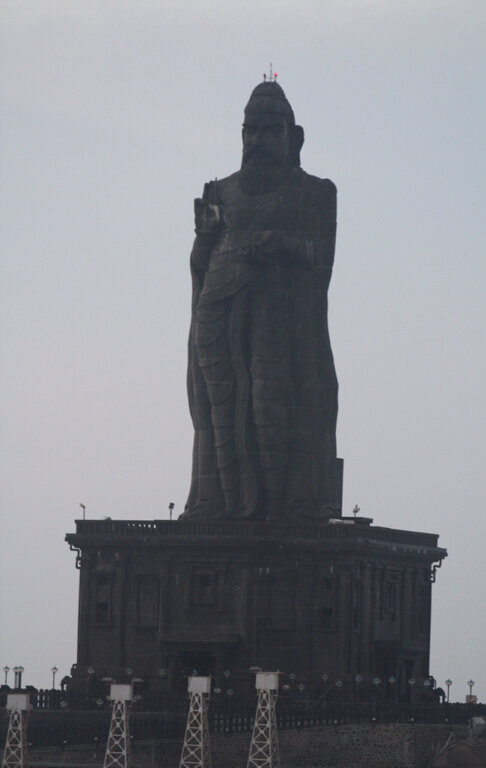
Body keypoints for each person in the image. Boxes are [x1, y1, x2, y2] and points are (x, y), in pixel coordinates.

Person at [183, 80, 340, 522]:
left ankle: (295, 504)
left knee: (279, 414)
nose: (258, 142)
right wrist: (204, 239)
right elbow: (200, 266)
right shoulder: (220, 192)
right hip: (220, 322)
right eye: (250, 132)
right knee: (219, 417)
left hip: (286, 335)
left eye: (270, 131)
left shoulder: (315, 194)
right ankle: (217, 504)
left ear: (295, 137)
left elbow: (322, 261)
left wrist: (281, 245)